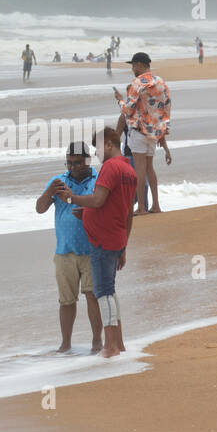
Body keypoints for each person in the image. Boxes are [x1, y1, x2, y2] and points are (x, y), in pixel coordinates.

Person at [55, 128, 136, 359]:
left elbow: (98, 200)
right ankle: (119, 343)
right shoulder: (129, 170)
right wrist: (123, 246)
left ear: (109, 144)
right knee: (110, 291)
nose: (97, 153)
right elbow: (126, 211)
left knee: (104, 293)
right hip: (116, 238)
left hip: (102, 240)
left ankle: (109, 346)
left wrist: (71, 198)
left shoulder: (111, 167)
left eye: (98, 148)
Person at [35, 142, 103, 353]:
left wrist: (81, 205)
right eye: (69, 163)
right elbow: (39, 209)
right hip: (64, 251)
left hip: (92, 249)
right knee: (66, 301)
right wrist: (49, 193)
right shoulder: (59, 181)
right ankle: (65, 344)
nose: (72, 167)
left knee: (92, 296)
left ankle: (96, 341)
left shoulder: (98, 180)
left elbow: (102, 205)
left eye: (77, 163)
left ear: (87, 161)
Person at [114, 52, 172, 214]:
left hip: (139, 131)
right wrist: (163, 130)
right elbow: (166, 107)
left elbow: (127, 109)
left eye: (133, 65)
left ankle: (141, 208)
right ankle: (156, 205)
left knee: (139, 170)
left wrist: (119, 99)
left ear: (140, 65)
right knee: (150, 169)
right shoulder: (161, 82)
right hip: (153, 132)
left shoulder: (137, 82)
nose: (132, 68)